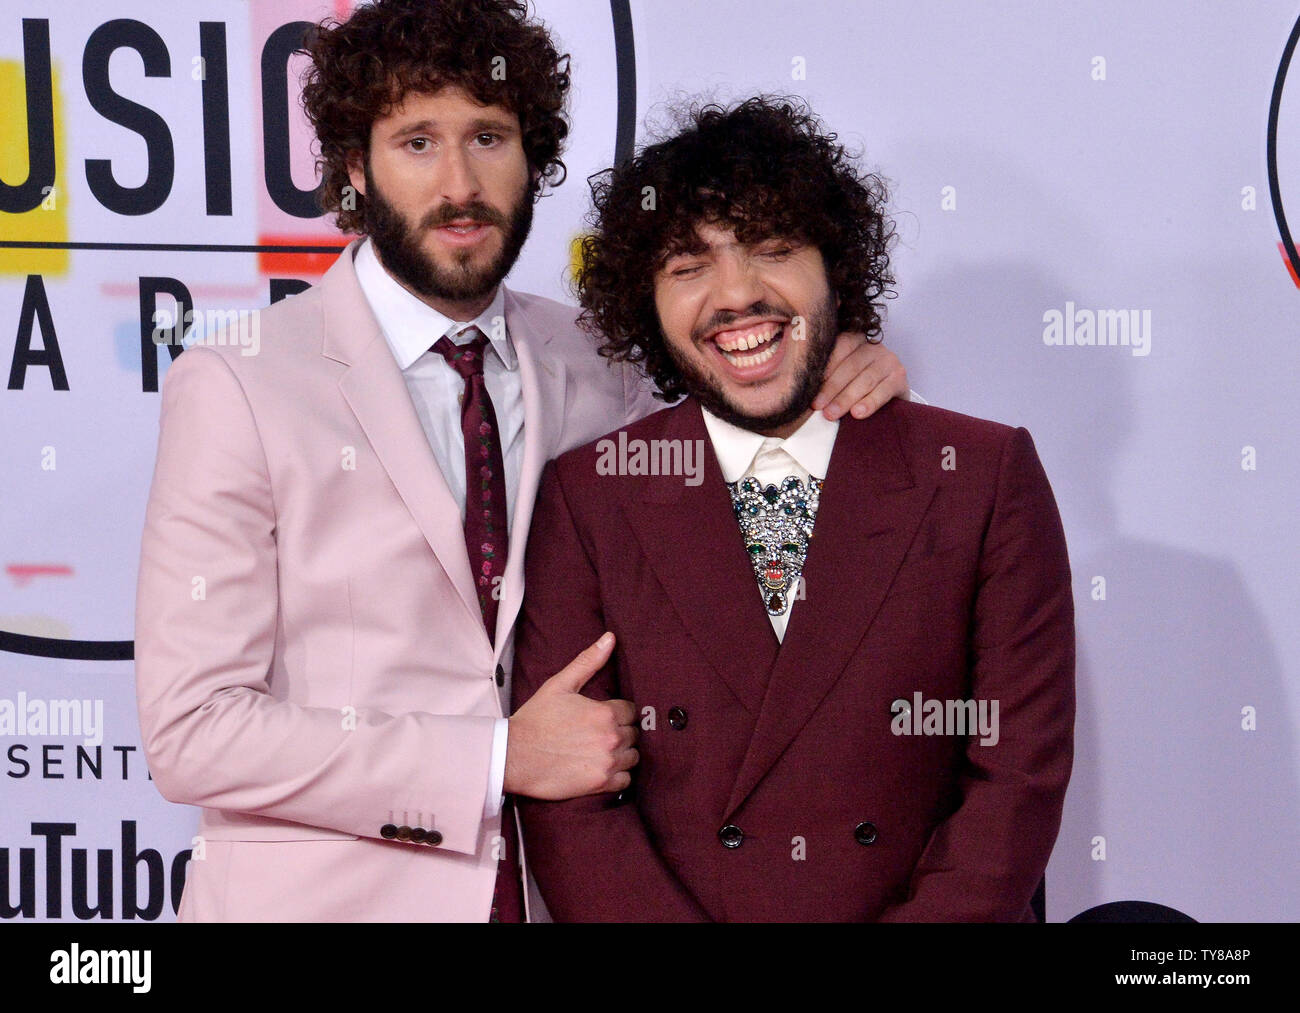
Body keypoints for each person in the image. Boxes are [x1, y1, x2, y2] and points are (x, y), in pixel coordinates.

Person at [133, 0, 909, 922]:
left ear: (532, 159)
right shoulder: (240, 383)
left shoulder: (599, 363)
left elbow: (745, 418)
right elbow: (193, 731)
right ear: (355, 167)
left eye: (490, 138)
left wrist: (840, 372)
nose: (459, 183)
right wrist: (497, 757)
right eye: (417, 142)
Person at [512, 95, 1076, 922]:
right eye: (688, 266)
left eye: (773, 249)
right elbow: (572, 808)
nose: (738, 294)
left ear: (834, 268)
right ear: (647, 303)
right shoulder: (590, 496)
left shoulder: (982, 474)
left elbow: (1017, 777)